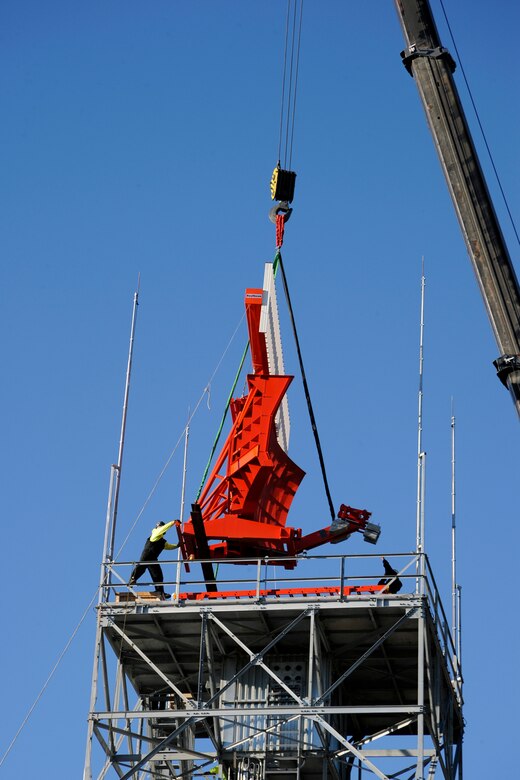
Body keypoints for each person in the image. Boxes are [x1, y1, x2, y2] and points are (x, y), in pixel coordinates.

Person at [128, 520, 180, 599]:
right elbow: (162, 529)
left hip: (153, 558)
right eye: (160, 527)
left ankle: (160, 591)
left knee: (158, 575)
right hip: (147, 554)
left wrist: (177, 545)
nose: (161, 529)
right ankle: (132, 579)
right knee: (141, 568)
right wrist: (173, 522)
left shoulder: (162, 541)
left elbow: (169, 546)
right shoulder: (155, 533)